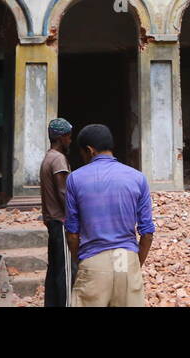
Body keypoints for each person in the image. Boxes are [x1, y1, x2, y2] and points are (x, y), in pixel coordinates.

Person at [64, 123, 154, 307]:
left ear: (89, 151)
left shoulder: (75, 179)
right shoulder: (138, 178)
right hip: (127, 261)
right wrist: (135, 264)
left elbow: (72, 234)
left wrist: (81, 262)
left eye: (82, 154)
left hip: (93, 262)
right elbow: (147, 233)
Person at [39, 118, 74, 307]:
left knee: (54, 271)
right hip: (61, 222)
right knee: (66, 273)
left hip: (52, 222)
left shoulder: (48, 157)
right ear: (61, 138)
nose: (70, 141)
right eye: (68, 137)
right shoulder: (58, 159)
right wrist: (75, 218)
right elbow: (63, 192)